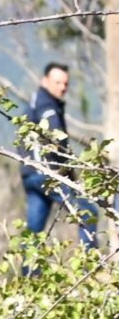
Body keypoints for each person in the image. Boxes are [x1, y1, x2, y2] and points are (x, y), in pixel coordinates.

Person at [21, 61, 99, 251]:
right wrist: (68, 172)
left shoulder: (37, 100)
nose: (63, 87)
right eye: (58, 83)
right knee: (87, 213)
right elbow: (56, 137)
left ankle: (30, 277)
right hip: (46, 174)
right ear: (45, 81)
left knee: (34, 233)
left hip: (30, 174)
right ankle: (91, 267)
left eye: (65, 84)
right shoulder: (47, 105)